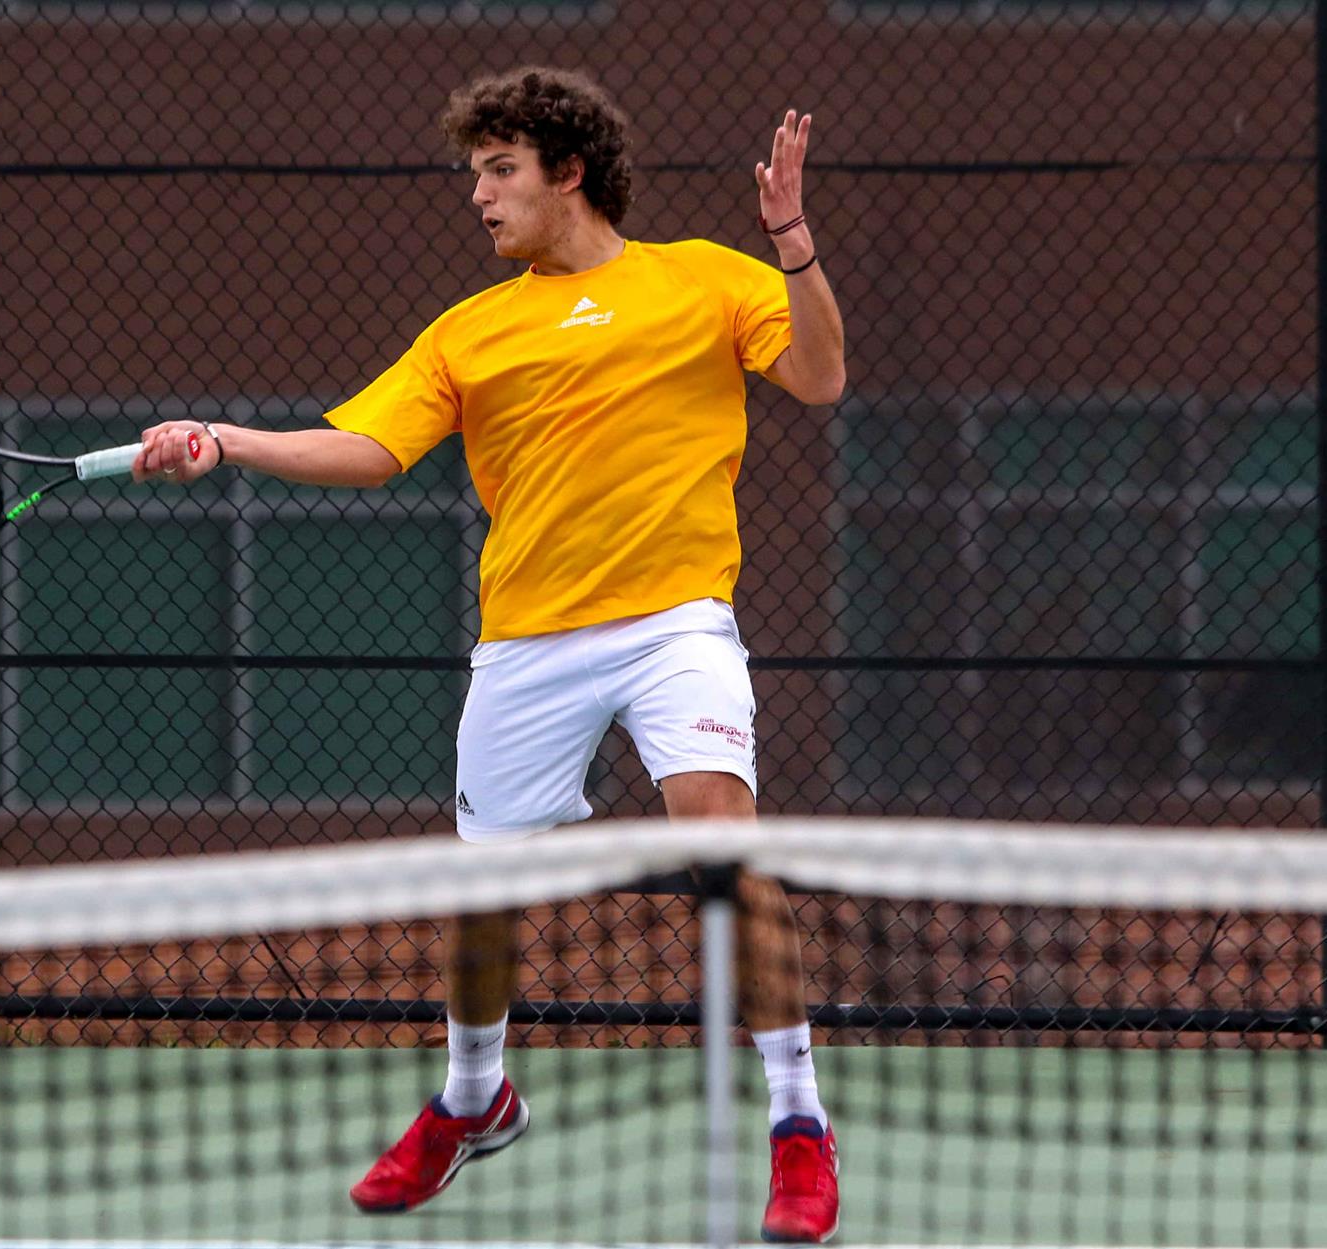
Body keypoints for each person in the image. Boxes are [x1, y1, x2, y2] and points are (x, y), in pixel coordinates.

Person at [132, 66, 847, 1244]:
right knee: (482, 896)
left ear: (568, 173)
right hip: (527, 641)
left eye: (499, 169)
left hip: (674, 623)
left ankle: (797, 1123)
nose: (479, 194)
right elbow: (367, 447)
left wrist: (791, 243)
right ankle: (473, 1098)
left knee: (719, 840)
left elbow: (818, 377)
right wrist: (226, 438)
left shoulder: (707, 280)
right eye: (476, 172)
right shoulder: (468, 331)